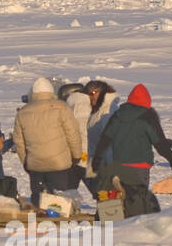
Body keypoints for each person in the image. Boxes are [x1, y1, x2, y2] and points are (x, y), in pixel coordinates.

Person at [90, 84, 172, 218]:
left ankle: (112, 219)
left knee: (117, 196)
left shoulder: (118, 115)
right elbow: (159, 142)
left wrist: (97, 159)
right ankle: (133, 226)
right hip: (140, 167)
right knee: (138, 201)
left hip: (119, 165)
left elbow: (105, 139)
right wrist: (171, 158)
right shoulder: (148, 116)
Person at [12, 78, 82, 206]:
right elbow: (73, 134)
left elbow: (19, 142)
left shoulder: (22, 113)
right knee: (59, 199)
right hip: (59, 164)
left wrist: (26, 163)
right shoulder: (62, 108)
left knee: (38, 198)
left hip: (35, 164)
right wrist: (76, 156)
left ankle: (39, 221)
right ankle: (60, 222)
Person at [83, 80, 119, 193]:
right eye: (88, 94)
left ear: (102, 92)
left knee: (106, 197)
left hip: (102, 164)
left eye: (94, 93)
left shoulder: (107, 111)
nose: (91, 97)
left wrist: (109, 167)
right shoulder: (96, 110)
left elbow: (109, 141)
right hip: (93, 161)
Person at [58, 82, 92, 191]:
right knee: (100, 193)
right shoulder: (91, 106)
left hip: (76, 158)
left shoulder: (70, 109)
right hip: (87, 157)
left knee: (66, 193)